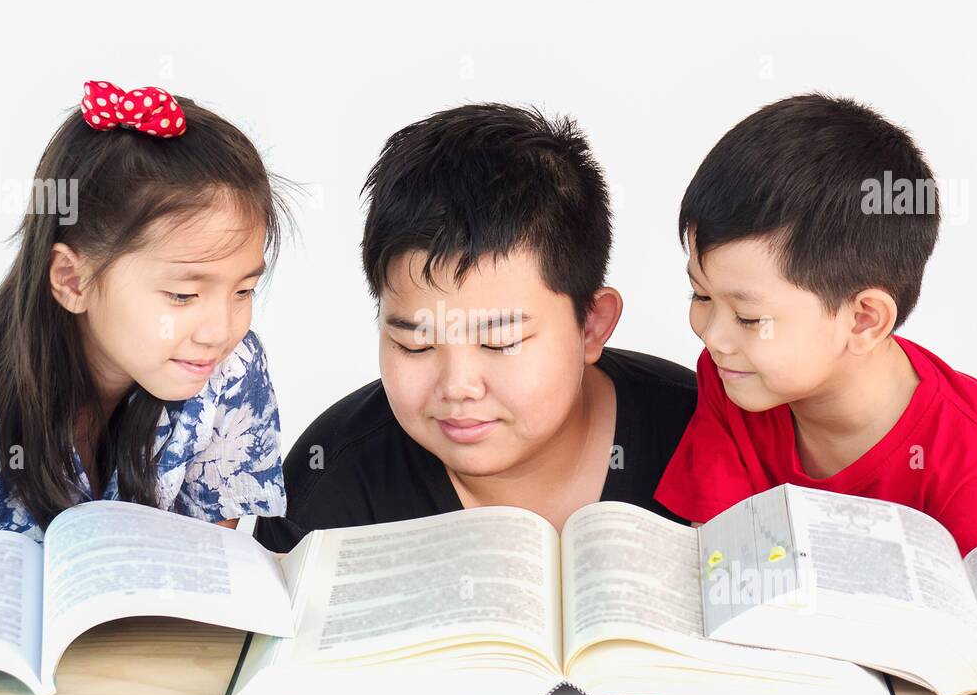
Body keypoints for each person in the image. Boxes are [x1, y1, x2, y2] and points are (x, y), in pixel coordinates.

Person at [0, 80, 291, 597]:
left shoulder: (232, 372)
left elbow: (207, 578)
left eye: (244, 290)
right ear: (72, 280)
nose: (221, 330)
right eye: (181, 295)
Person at [254, 102, 697, 553]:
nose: (458, 387)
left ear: (591, 326)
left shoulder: (702, 437)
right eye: (416, 344)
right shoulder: (328, 496)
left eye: (500, 342)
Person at [653, 92, 977, 556]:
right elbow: (719, 569)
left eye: (748, 317)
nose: (713, 336)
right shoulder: (733, 382)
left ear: (863, 319)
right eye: (701, 295)